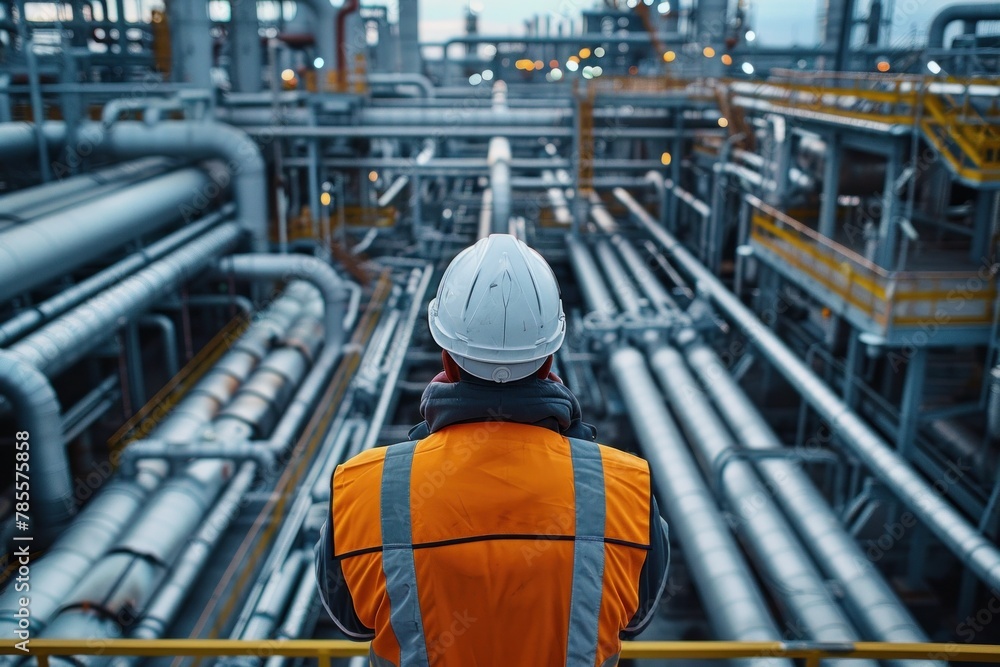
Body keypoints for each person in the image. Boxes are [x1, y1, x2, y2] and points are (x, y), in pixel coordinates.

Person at [315, 234, 669, 666]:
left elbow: (350, 621)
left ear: (447, 360)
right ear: (548, 361)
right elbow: (636, 619)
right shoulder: (625, 487)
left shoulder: (364, 487)